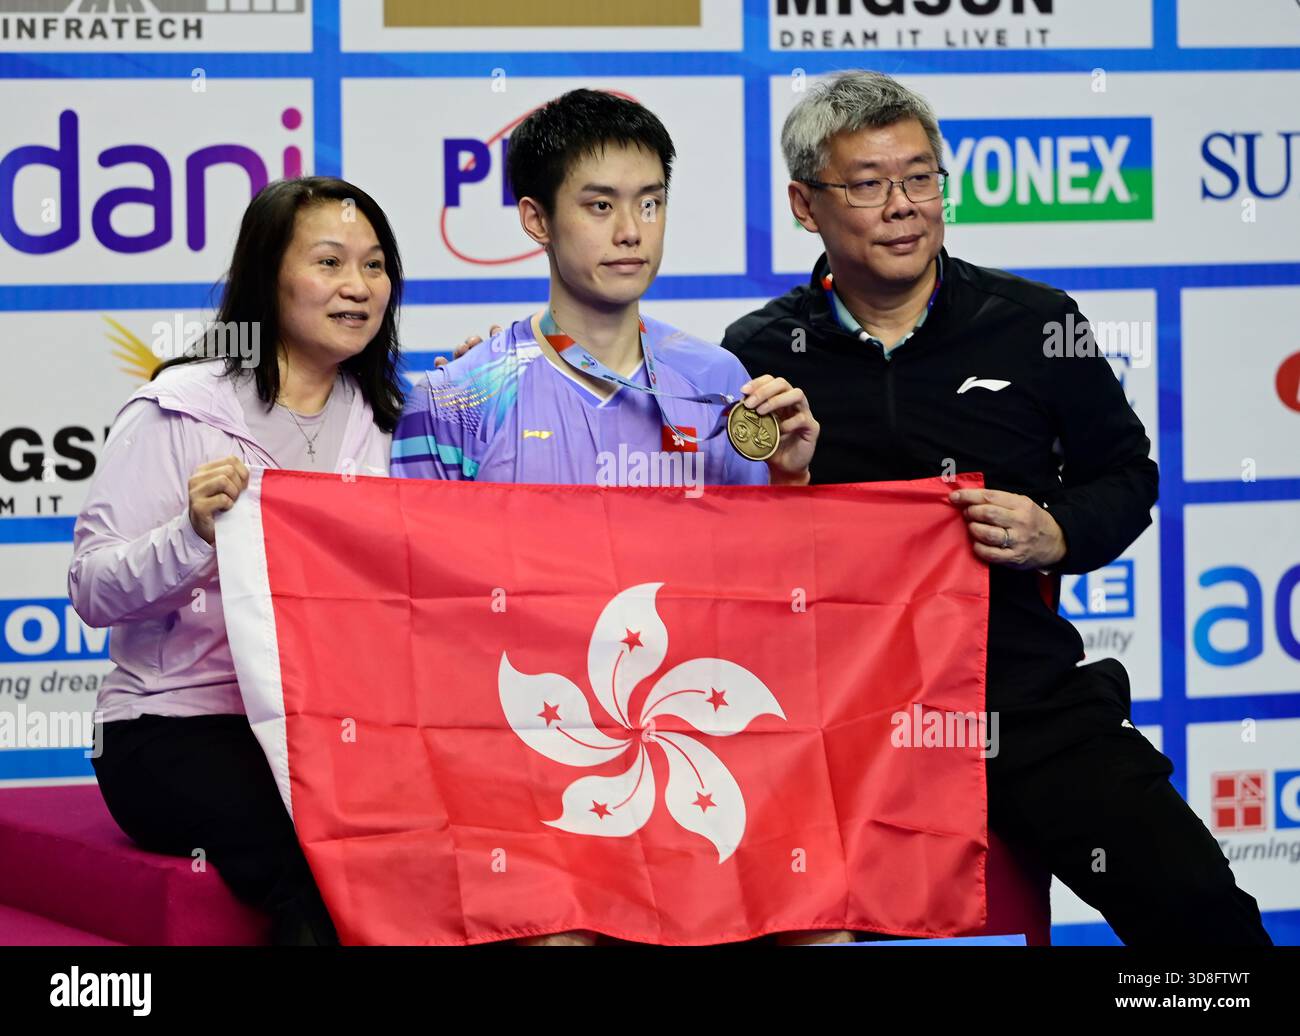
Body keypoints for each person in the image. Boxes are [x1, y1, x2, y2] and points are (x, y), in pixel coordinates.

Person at [721, 70, 1271, 945]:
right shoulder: (756, 354)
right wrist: (785, 480)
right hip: (834, 720)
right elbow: (728, 551)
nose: (904, 206)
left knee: (1208, 931)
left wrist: (1056, 532)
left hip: (1020, 703)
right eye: (868, 184)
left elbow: (1126, 474)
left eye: (922, 177)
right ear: (804, 203)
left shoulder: (1036, 324)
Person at [392, 89, 836, 945]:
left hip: (699, 741)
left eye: (650, 202)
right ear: (535, 219)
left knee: (819, 924)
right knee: (564, 932)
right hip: (526, 749)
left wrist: (790, 482)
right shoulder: (460, 393)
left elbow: (766, 599)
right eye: (599, 206)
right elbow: (417, 610)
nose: (631, 231)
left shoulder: (719, 380)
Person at [68, 176, 404, 946]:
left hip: (327, 726)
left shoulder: (391, 420)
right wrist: (192, 536)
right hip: (177, 725)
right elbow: (91, 588)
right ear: (267, 275)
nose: (358, 286)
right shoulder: (180, 407)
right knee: (318, 859)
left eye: (376, 264)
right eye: (329, 262)